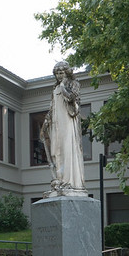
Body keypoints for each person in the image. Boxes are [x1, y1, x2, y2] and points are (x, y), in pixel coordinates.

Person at [41, 61, 86, 195]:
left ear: (67, 73)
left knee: (67, 150)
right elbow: (52, 107)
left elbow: (73, 99)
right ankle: (59, 180)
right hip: (56, 123)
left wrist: (63, 87)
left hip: (67, 121)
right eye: (57, 73)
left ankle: (69, 182)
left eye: (61, 73)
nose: (59, 75)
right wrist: (46, 121)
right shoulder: (55, 88)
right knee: (56, 151)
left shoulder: (72, 84)